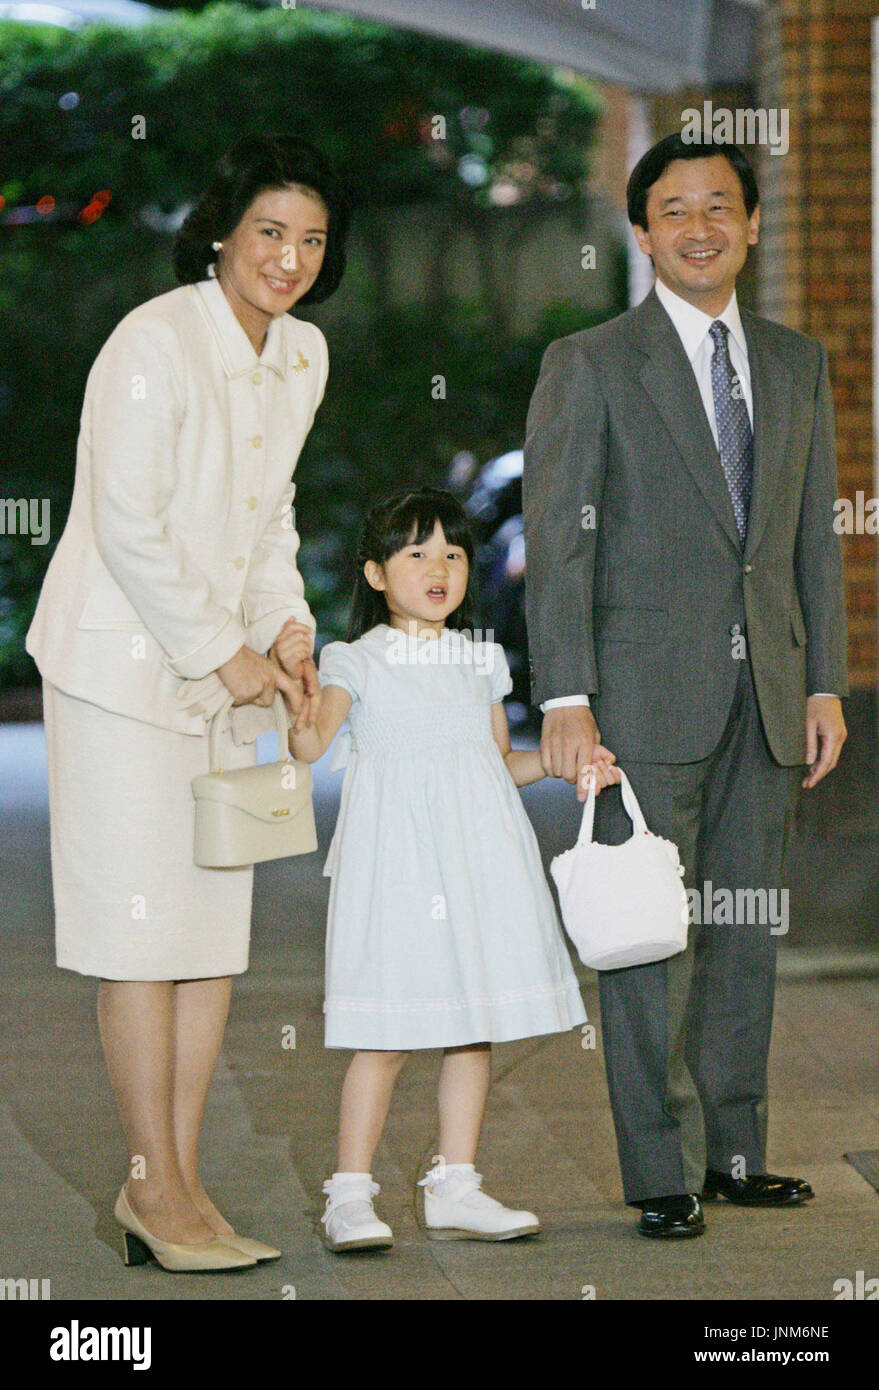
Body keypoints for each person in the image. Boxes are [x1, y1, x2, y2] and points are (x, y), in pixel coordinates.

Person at [26, 132, 349, 1271]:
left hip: (224, 679)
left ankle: (184, 1181)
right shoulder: (153, 340)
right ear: (223, 231)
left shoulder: (301, 354)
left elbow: (270, 519)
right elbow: (128, 521)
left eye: (311, 240)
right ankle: (149, 1186)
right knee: (140, 934)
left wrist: (289, 627)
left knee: (209, 944)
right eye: (270, 231)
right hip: (120, 673)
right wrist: (227, 651)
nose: (289, 258)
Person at [522, 133, 848, 1240]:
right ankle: (661, 1171)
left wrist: (827, 682)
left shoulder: (799, 363)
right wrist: (565, 695)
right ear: (643, 230)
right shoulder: (594, 361)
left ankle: (737, 1153)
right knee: (647, 935)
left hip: (769, 698)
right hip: (641, 697)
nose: (699, 226)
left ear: (752, 224)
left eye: (719, 205)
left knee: (744, 935)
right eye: (674, 209)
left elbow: (812, 544)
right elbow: (558, 542)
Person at [274, 487, 618, 1251]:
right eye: (416, 553)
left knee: (473, 1028)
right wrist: (295, 716)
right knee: (386, 1031)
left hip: (479, 856)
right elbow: (310, 745)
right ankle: (350, 1195)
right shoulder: (352, 659)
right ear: (374, 573)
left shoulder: (480, 659)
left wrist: (568, 767)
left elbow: (497, 763)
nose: (439, 569)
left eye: (454, 555)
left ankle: (455, 1185)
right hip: (396, 864)